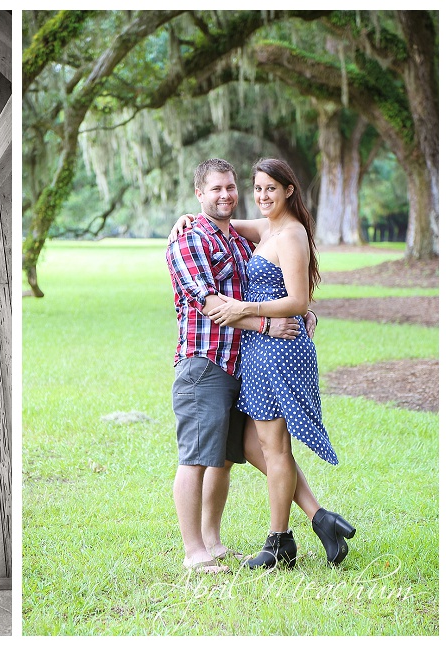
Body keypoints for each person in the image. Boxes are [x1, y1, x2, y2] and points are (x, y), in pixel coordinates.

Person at [166, 158, 352, 573]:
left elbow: (292, 290)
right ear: (199, 193)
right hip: (211, 360)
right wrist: (266, 322)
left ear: (288, 190)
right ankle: (199, 549)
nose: (228, 195)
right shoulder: (201, 237)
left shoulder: (262, 234)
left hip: (256, 359)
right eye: (216, 189)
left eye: (231, 187)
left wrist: (293, 314)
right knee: (218, 454)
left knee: (250, 451)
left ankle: (259, 539)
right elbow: (215, 306)